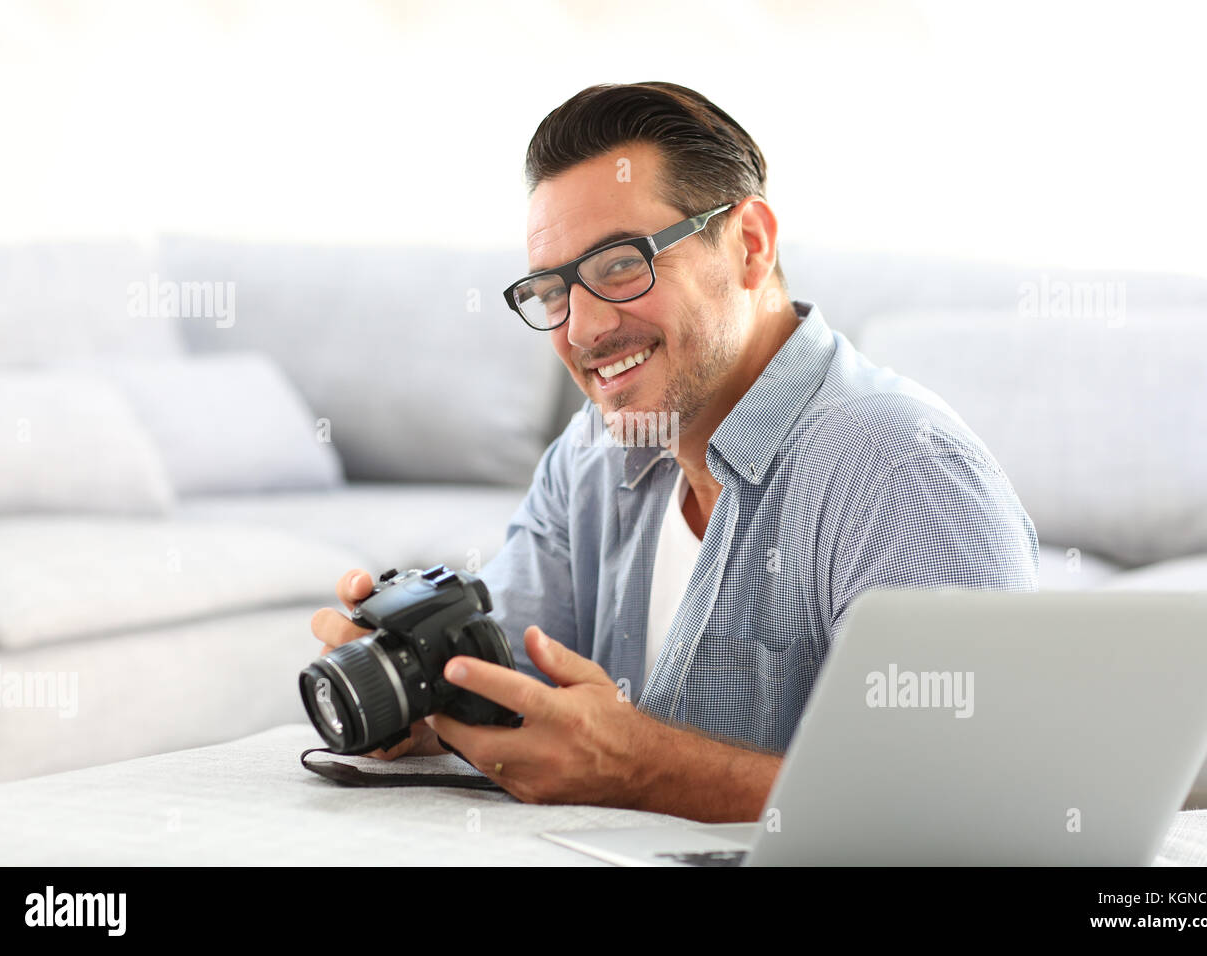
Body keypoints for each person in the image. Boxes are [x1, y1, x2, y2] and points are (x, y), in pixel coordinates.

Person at [311, 82, 1039, 822]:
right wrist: (423, 697)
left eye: (621, 264)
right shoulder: (590, 458)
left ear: (750, 245)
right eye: (551, 291)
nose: (584, 329)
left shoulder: (898, 469)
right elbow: (508, 679)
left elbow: (968, 808)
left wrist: (643, 769)